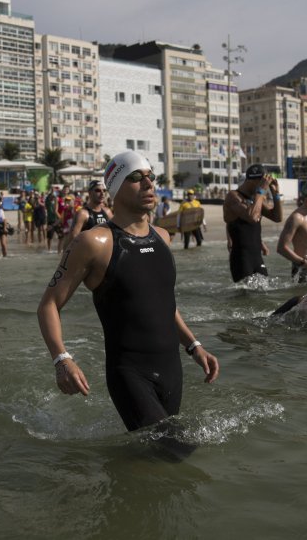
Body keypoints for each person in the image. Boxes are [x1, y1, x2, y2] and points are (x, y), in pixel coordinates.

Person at [37, 151, 219, 436]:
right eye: (135, 178)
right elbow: (49, 305)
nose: (148, 184)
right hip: (130, 373)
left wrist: (194, 345)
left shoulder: (163, 237)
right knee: (173, 450)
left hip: (172, 369)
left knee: (158, 464)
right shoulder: (95, 242)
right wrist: (62, 359)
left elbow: (163, 305)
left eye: (150, 177)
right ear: (115, 187)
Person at [223, 164, 283, 282]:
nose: (265, 187)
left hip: (257, 257)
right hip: (241, 258)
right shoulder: (233, 197)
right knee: (246, 297)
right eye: (263, 182)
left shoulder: (256, 198)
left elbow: (277, 218)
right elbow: (252, 217)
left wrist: (276, 195)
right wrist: (260, 192)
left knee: (263, 296)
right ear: (252, 181)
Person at [64, 180, 113, 249]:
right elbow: (72, 239)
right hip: (87, 255)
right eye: (98, 190)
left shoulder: (107, 212)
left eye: (104, 190)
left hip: (104, 255)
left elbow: (115, 235)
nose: (102, 193)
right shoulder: (83, 214)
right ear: (89, 193)